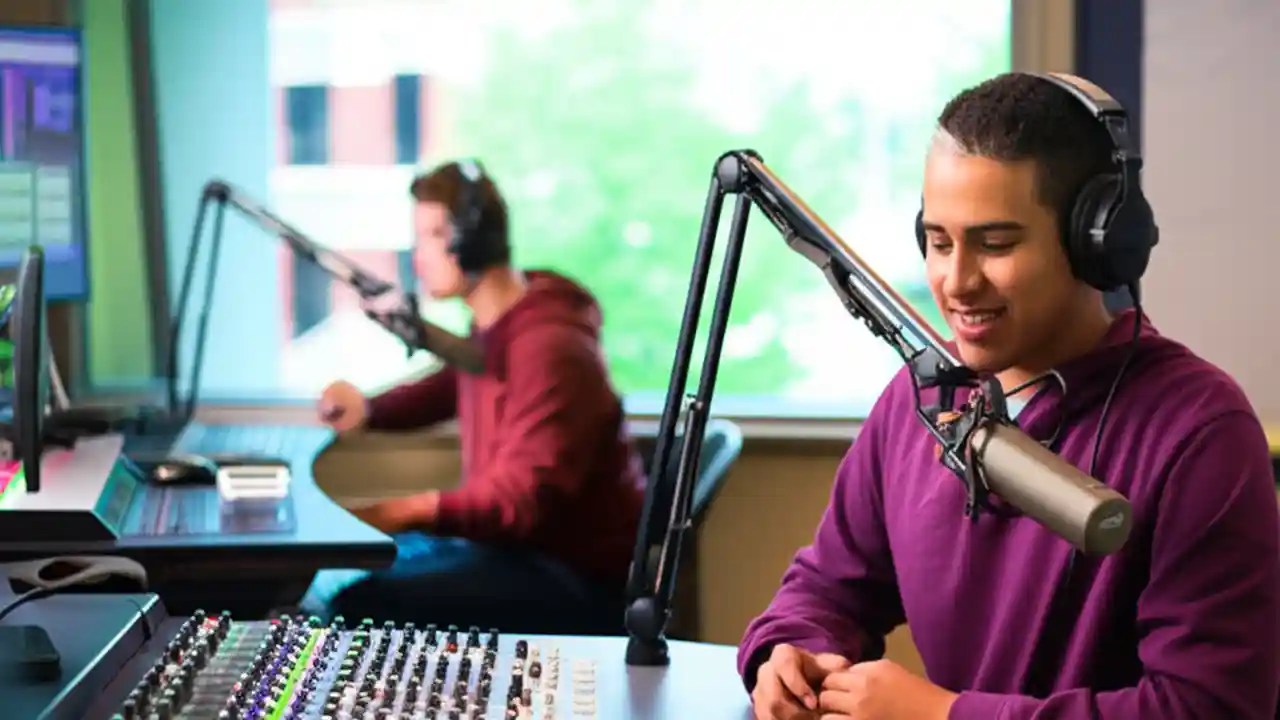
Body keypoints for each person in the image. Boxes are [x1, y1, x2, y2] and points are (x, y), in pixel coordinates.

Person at [740, 72, 1280, 719]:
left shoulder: (1200, 433)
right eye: (938, 242)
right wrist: (789, 652)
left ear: (1094, 241)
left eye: (995, 244)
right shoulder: (922, 399)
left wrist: (944, 716)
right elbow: (827, 587)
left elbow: (1208, 708)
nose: (957, 282)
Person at [302, 159, 646, 634]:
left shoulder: (549, 347)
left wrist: (403, 510)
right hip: (513, 551)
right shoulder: (501, 325)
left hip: (571, 577)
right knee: (347, 577)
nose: (417, 255)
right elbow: (455, 381)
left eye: (431, 236)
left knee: (359, 599)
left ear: (470, 239)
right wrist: (370, 410)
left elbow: (520, 501)